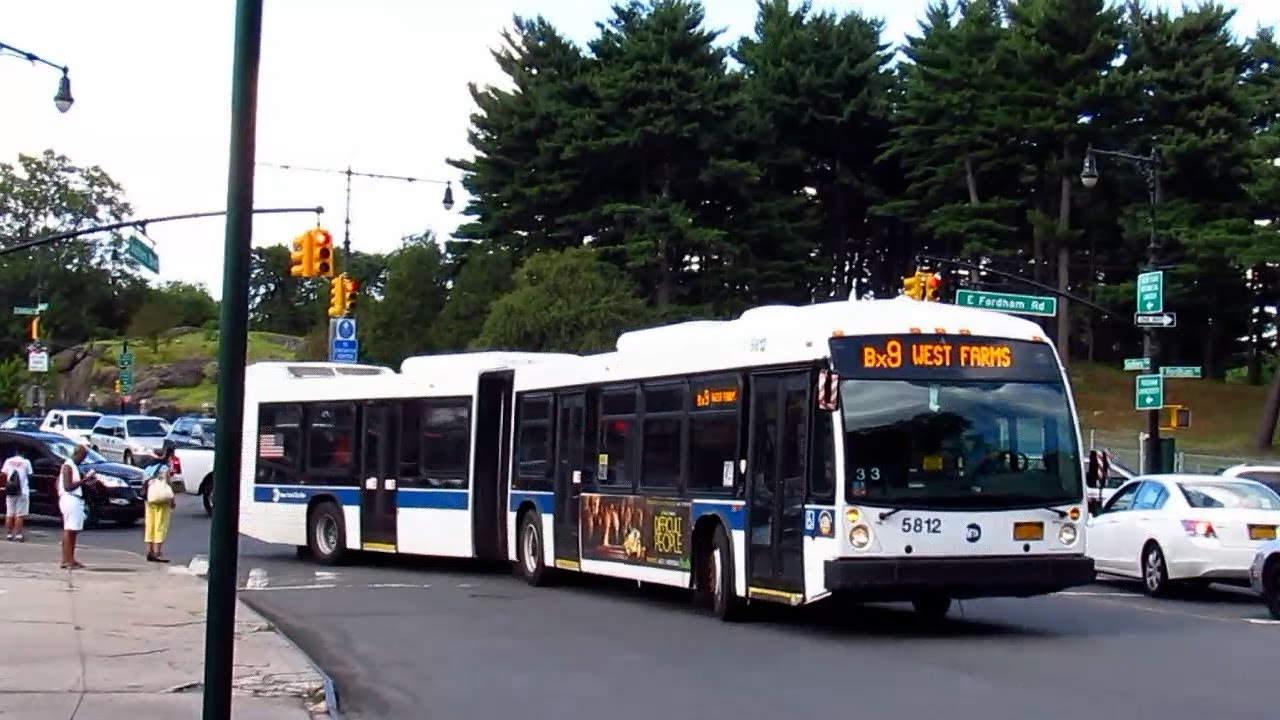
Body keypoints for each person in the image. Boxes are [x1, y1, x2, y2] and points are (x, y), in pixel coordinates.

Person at [59, 443, 98, 569]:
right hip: (70, 499)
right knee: (69, 530)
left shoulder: (74, 466)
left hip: (75, 499)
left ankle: (71, 558)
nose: (84, 458)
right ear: (77, 454)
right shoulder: (68, 466)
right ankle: (67, 560)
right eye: (83, 455)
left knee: (73, 530)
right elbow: (68, 486)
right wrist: (84, 480)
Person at [141, 446, 176, 562]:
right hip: (162, 501)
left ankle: (149, 551)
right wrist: (172, 501)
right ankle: (157, 553)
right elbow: (168, 485)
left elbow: (144, 484)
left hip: (150, 499)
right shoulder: (164, 468)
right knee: (160, 525)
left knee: (150, 525)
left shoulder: (147, 468)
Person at [3, 447, 33, 542]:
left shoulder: (8, 461)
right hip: (22, 490)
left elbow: (3, 473)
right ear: (23, 453)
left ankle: (8, 534)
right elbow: (30, 474)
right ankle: (18, 535)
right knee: (19, 515)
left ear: (15, 452)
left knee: (9, 513)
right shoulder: (26, 462)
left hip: (10, 490)